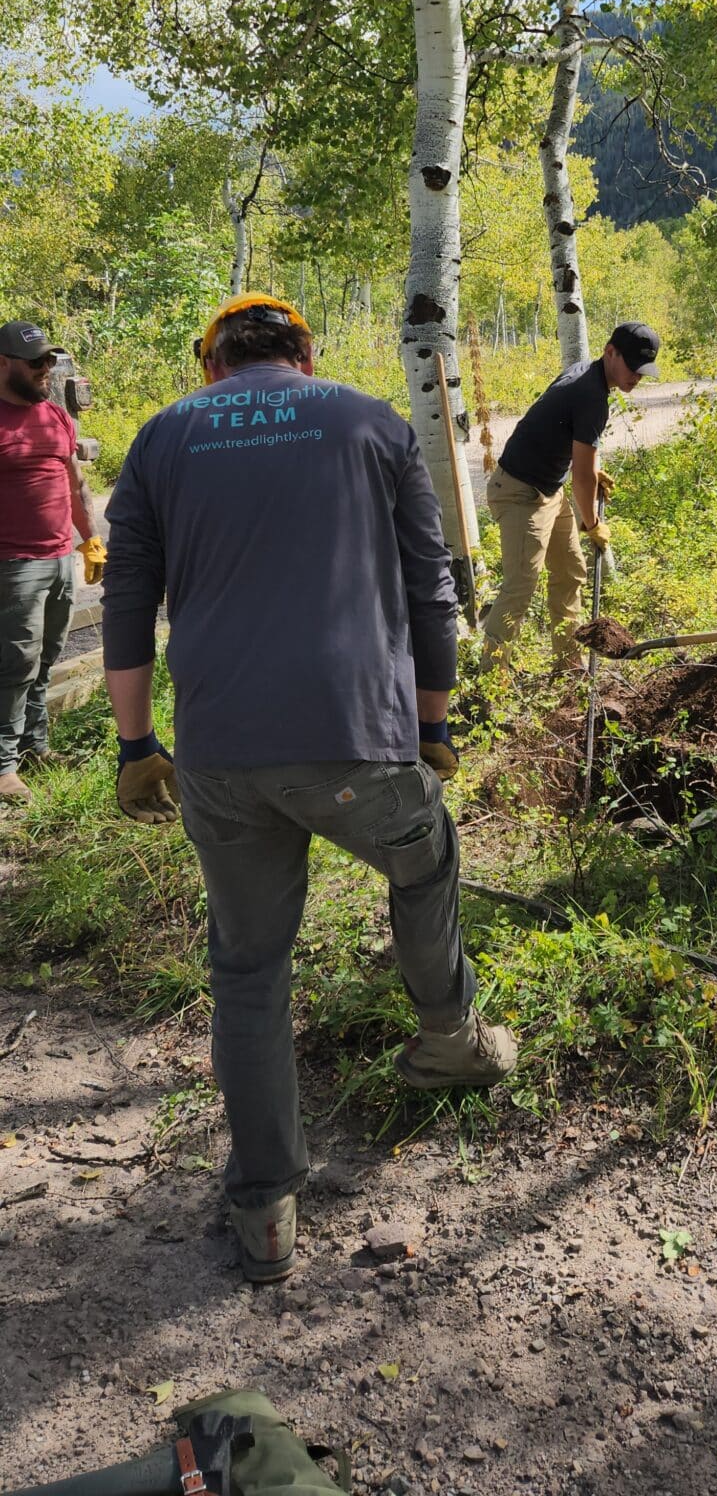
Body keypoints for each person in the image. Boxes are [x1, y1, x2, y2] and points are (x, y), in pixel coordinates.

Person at [102, 292, 517, 1283]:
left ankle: (266, 1209)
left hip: (220, 755)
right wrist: (434, 725)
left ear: (213, 364)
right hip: (356, 745)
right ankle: (450, 1037)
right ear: (306, 352)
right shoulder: (372, 420)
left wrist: (133, 745)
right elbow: (431, 587)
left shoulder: (162, 436)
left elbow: (125, 597)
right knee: (423, 864)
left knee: (248, 969)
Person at [480, 322, 661, 670]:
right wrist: (591, 522)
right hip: (519, 492)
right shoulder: (591, 396)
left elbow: (576, 456)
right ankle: (491, 683)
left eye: (643, 370)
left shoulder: (590, 376)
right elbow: (581, 477)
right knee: (520, 586)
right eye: (632, 367)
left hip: (548, 489)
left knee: (570, 571)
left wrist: (591, 473)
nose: (637, 376)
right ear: (611, 352)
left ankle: (567, 664)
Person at [0, 321, 104, 805]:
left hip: (60, 555)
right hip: (12, 562)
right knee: (14, 662)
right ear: (3, 363)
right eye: (36, 361)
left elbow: (74, 484)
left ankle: (35, 746)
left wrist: (90, 540)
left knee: (46, 657)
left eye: (49, 361)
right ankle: (3, 766)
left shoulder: (55, 416)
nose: (47, 370)